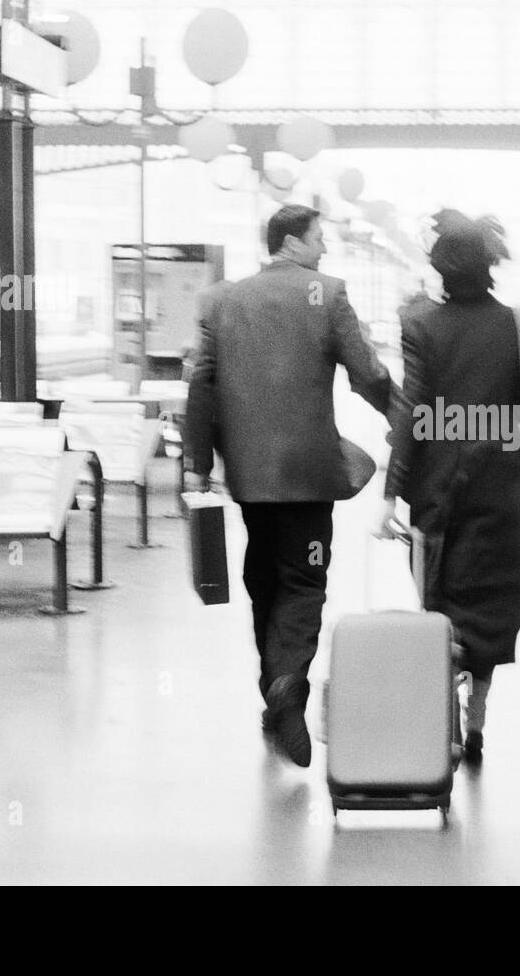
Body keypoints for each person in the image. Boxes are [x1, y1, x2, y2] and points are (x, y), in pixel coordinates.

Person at [184, 204, 394, 768]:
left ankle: (274, 692)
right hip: (308, 473)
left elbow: (201, 383)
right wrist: (404, 416)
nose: (324, 248)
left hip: (250, 478)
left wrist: (197, 463)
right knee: (304, 580)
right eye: (319, 238)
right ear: (293, 241)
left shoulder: (224, 300)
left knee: (265, 578)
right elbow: (368, 373)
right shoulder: (327, 294)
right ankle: (287, 684)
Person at [378, 210, 520, 765]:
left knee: (440, 603)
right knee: (493, 608)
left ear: (441, 271)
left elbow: (412, 411)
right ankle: (476, 723)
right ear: (490, 267)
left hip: (435, 497)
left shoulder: (421, 326)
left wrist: (389, 493)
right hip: (498, 493)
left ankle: (447, 712)